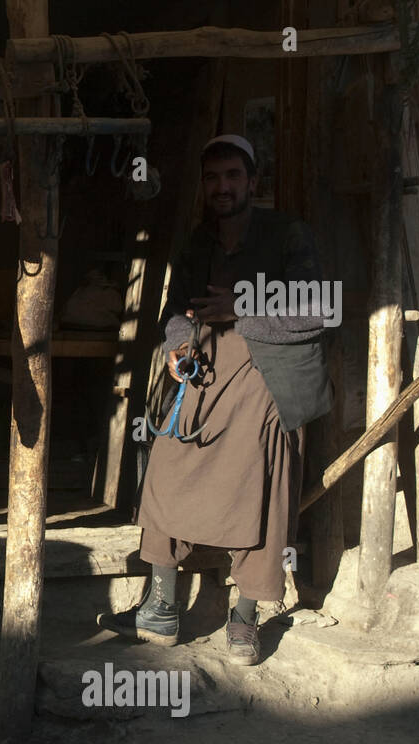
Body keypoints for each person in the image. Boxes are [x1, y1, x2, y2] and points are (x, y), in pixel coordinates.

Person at [98, 134, 333, 665]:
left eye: (232, 176)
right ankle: (160, 607)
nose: (222, 187)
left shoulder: (288, 233)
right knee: (165, 469)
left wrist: (242, 307)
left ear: (253, 182)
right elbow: (178, 311)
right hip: (207, 372)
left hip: (269, 378)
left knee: (259, 488)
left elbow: (319, 308)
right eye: (212, 178)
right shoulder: (197, 242)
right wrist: (178, 346)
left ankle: (244, 617)